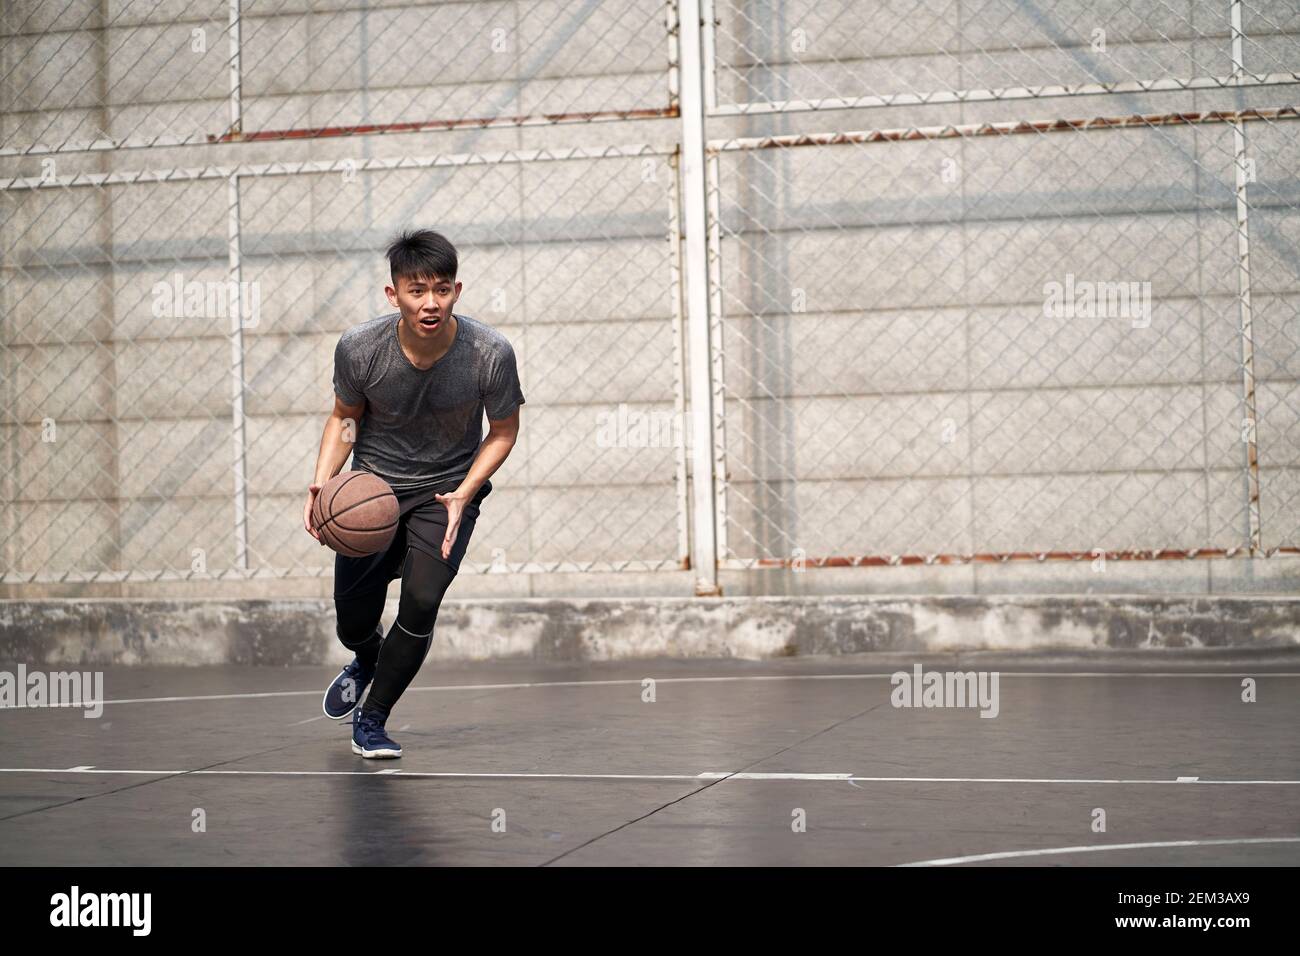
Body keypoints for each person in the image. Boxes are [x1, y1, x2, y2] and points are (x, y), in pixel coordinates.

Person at [304, 229, 524, 758]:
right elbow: (344, 418)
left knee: (422, 600)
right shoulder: (360, 348)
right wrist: (323, 482)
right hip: (372, 494)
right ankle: (368, 656)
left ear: (457, 291)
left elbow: (503, 431)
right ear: (393, 294)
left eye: (442, 290)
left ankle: (372, 719)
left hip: (445, 493)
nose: (431, 303)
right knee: (353, 620)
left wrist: (465, 493)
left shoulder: (489, 352)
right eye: (417, 290)